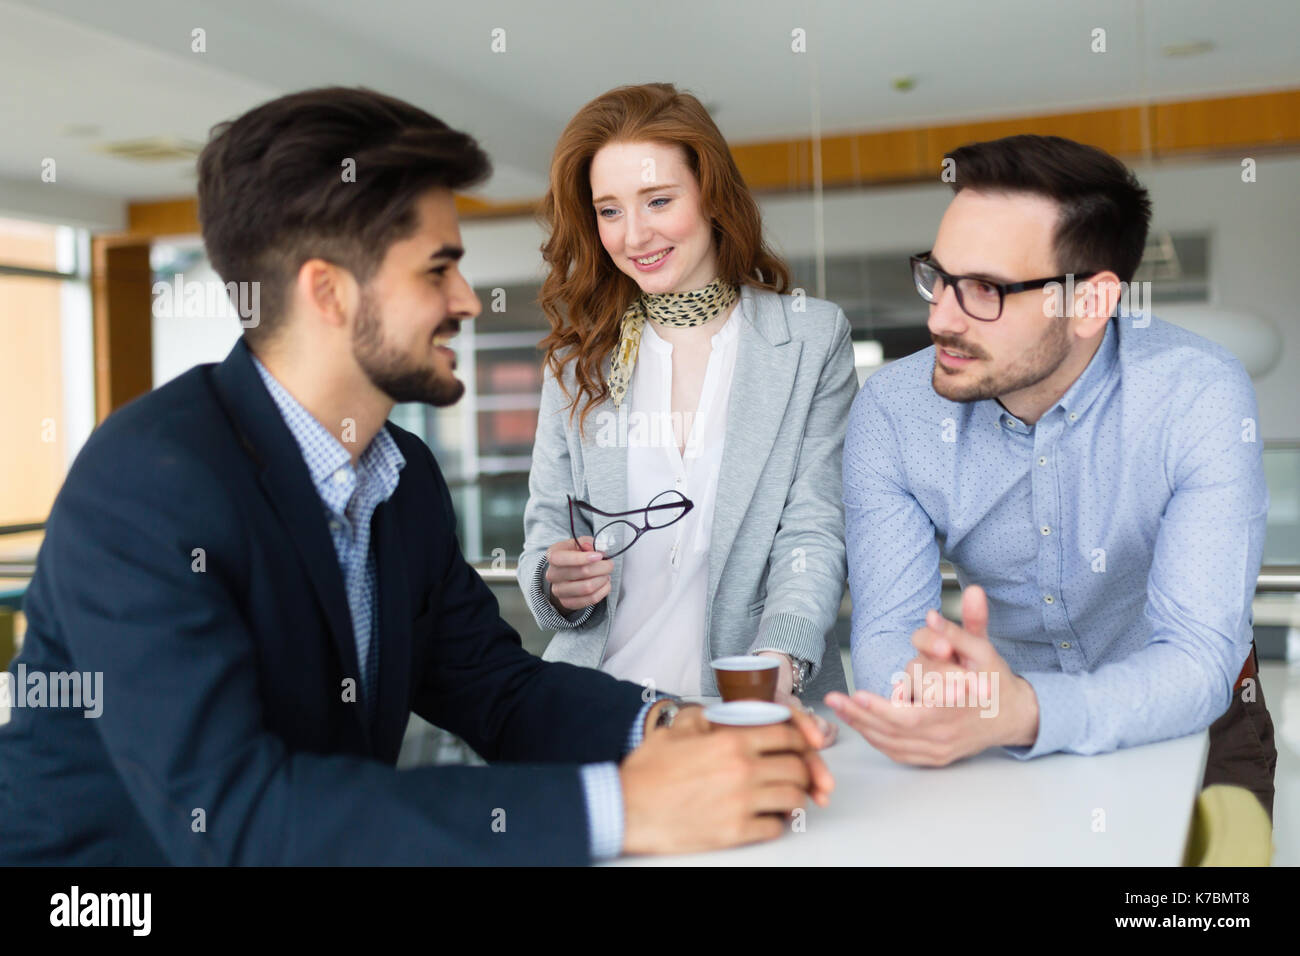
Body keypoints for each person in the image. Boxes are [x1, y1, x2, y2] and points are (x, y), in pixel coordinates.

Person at [0, 86, 833, 866]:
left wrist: (674, 725)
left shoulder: (402, 478)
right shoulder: (144, 487)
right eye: (438, 269)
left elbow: (497, 692)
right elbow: (234, 817)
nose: (469, 300)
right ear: (327, 292)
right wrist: (621, 807)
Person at [829, 134, 1277, 817]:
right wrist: (933, 690)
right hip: (995, 728)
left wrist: (1029, 710)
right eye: (938, 276)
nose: (938, 317)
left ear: (1092, 303)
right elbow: (888, 634)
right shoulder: (893, 412)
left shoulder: (1197, 395)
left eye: (985, 289)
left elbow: (1197, 660)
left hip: (1195, 718)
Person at [517, 84, 856, 726]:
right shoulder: (576, 362)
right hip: (597, 706)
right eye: (609, 211)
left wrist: (775, 665)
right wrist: (556, 585)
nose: (634, 234)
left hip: (746, 702)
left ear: (711, 195)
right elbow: (545, 533)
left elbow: (813, 528)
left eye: (659, 200)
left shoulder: (810, 338)